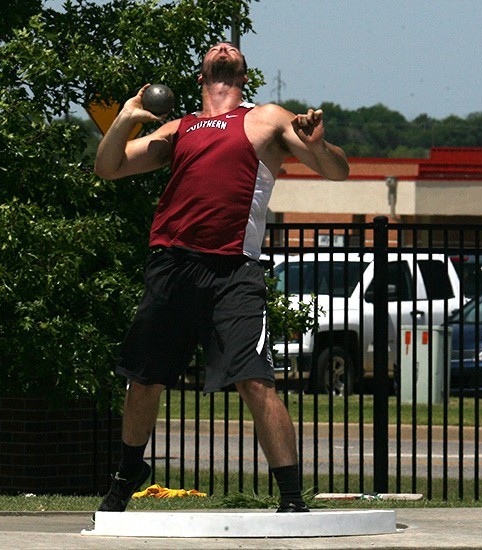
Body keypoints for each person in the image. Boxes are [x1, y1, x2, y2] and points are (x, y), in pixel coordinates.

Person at [93, 41, 349, 514]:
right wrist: (124, 119)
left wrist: (318, 147)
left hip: (234, 269)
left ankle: (292, 498)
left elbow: (337, 172)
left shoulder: (268, 118)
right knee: (144, 380)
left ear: (243, 74)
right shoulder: (179, 127)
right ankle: (129, 471)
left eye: (231, 49)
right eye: (215, 48)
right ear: (200, 76)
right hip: (171, 265)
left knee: (255, 380)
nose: (223, 48)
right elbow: (108, 167)